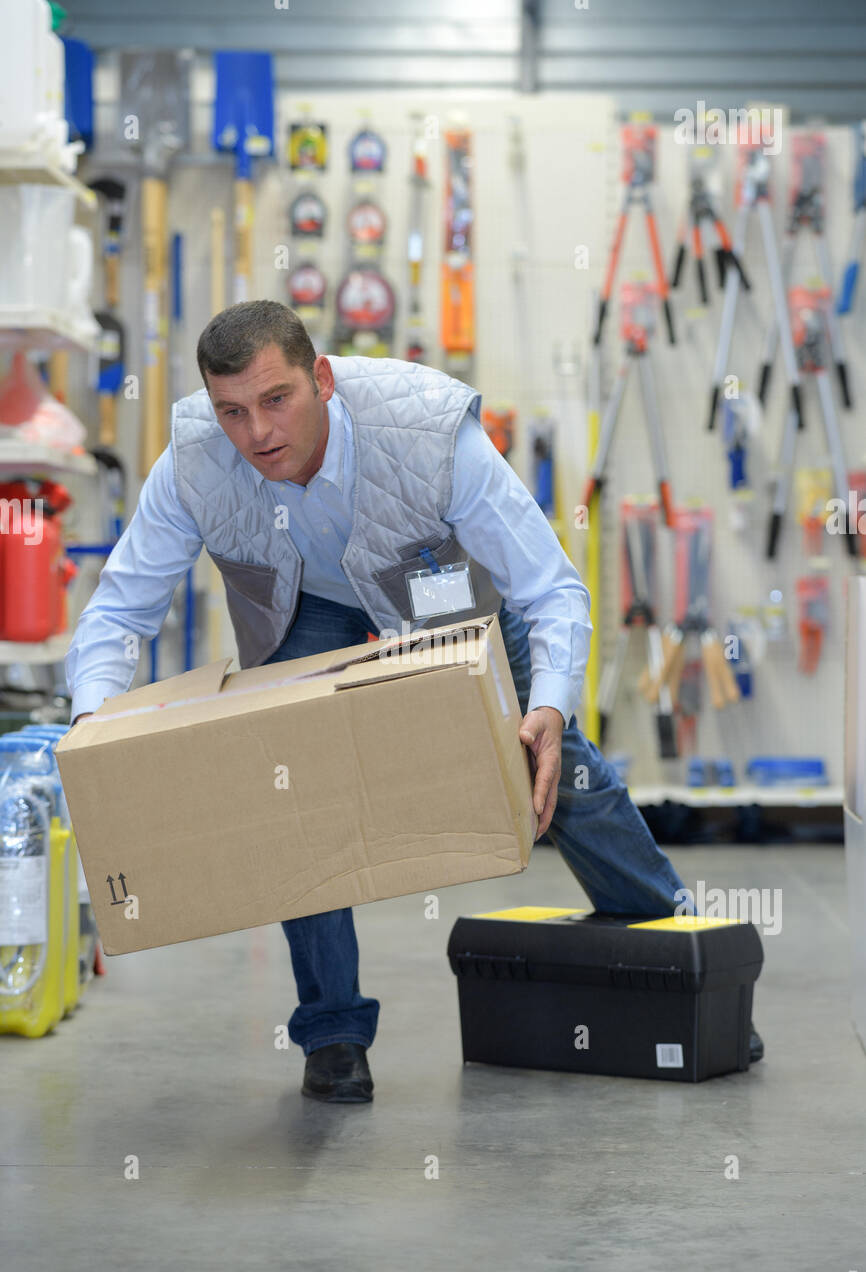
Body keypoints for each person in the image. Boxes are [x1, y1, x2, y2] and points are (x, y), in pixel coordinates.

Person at [67, 300, 763, 1102]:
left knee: (555, 769)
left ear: (321, 379)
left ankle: (698, 975)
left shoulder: (430, 431)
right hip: (308, 609)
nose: (255, 432)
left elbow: (551, 587)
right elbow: (121, 607)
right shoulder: (193, 457)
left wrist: (550, 708)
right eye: (232, 411)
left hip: (442, 600)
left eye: (276, 400)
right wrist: (92, 724)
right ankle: (332, 1035)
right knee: (295, 785)